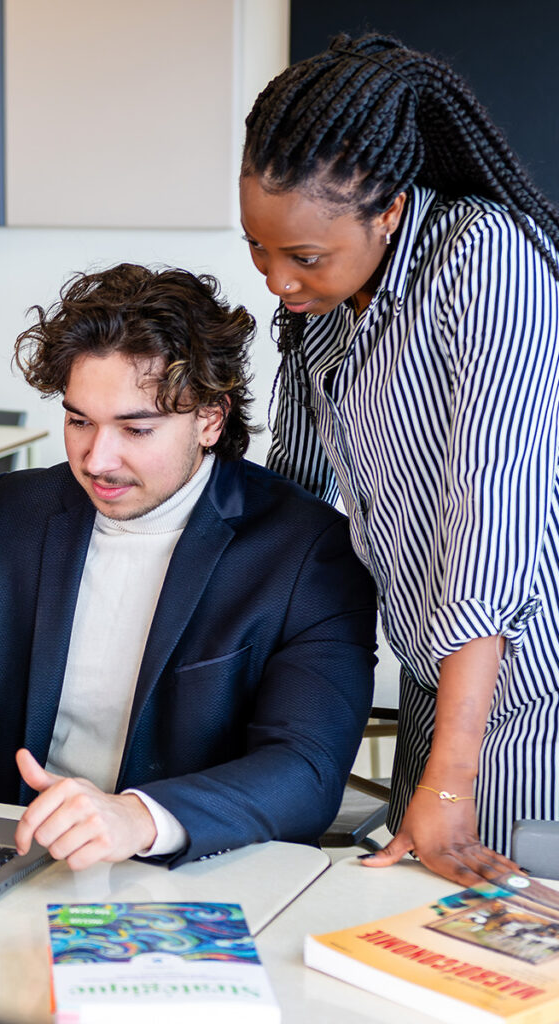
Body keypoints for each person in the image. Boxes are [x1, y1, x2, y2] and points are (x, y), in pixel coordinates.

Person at [0, 263, 376, 869]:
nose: (97, 459)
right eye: (78, 421)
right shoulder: (10, 516)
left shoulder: (306, 550)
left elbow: (305, 769)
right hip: (26, 859)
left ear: (210, 420)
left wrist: (138, 818)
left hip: (200, 870)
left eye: (135, 429)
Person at [239, 33, 559, 888]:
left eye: (303, 256)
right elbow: (295, 492)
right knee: (422, 921)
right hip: (433, 669)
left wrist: (451, 780)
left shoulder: (488, 258)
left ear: (387, 213)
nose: (277, 280)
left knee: (512, 932)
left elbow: (490, 514)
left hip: (531, 679)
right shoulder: (324, 304)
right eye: (257, 248)